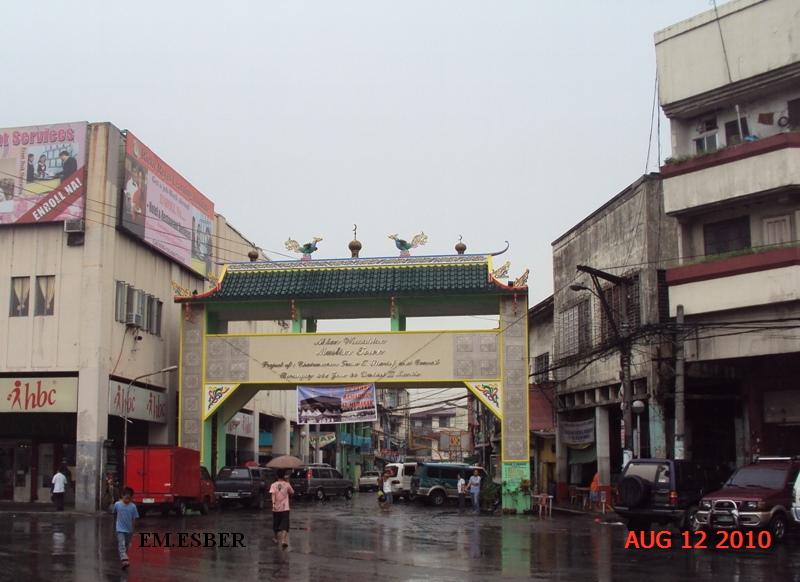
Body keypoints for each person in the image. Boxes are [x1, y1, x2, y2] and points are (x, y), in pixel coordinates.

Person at [113, 487, 139, 570]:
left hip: (129, 530)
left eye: (129, 498)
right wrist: (116, 525)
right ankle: (124, 560)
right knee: (122, 544)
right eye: (126, 498)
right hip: (120, 529)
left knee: (126, 545)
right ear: (122, 496)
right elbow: (114, 513)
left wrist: (133, 529)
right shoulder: (117, 504)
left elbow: (134, 518)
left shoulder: (133, 507)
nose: (127, 500)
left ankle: (125, 559)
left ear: (131, 498)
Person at [269, 470, 294, 550]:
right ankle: (283, 540)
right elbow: (292, 492)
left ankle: (276, 538)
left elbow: (273, 495)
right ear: (283, 476)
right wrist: (288, 482)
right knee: (285, 525)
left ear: (277, 476)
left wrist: (273, 504)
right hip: (285, 508)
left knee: (276, 525)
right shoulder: (287, 484)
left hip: (276, 508)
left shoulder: (273, 485)